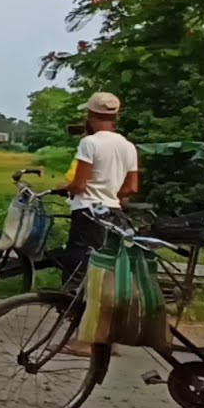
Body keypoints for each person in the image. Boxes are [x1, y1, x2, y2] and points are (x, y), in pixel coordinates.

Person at [56, 91, 140, 284]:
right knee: (104, 265)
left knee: (77, 264)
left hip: (87, 211)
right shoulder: (128, 146)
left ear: (91, 115)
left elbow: (80, 184)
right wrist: (110, 194)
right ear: (115, 116)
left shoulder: (89, 142)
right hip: (113, 213)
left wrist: (65, 188)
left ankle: (70, 307)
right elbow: (132, 187)